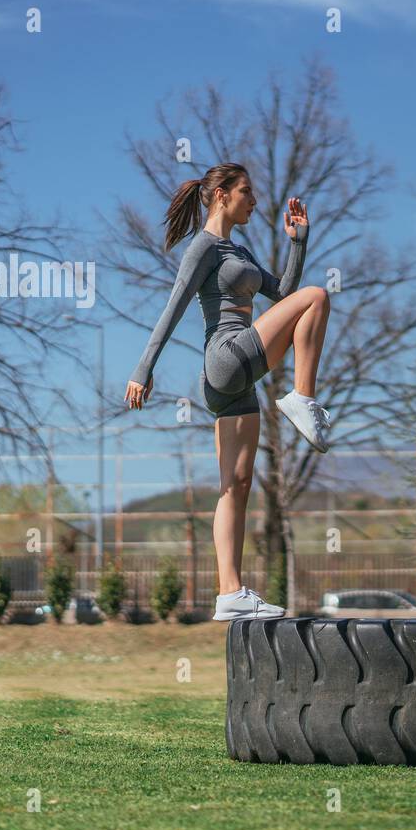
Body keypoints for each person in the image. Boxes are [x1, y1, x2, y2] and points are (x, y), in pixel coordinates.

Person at [124, 163, 333, 621]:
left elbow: (281, 293)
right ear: (221, 196)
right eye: (247, 192)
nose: (254, 200)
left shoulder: (238, 249)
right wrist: (143, 369)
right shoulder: (203, 247)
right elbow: (174, 305)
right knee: (318, 297)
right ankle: (302, 396)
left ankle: (229, 593)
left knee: (235, 486)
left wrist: (298, 241)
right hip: (226, 356)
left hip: (232, 382)